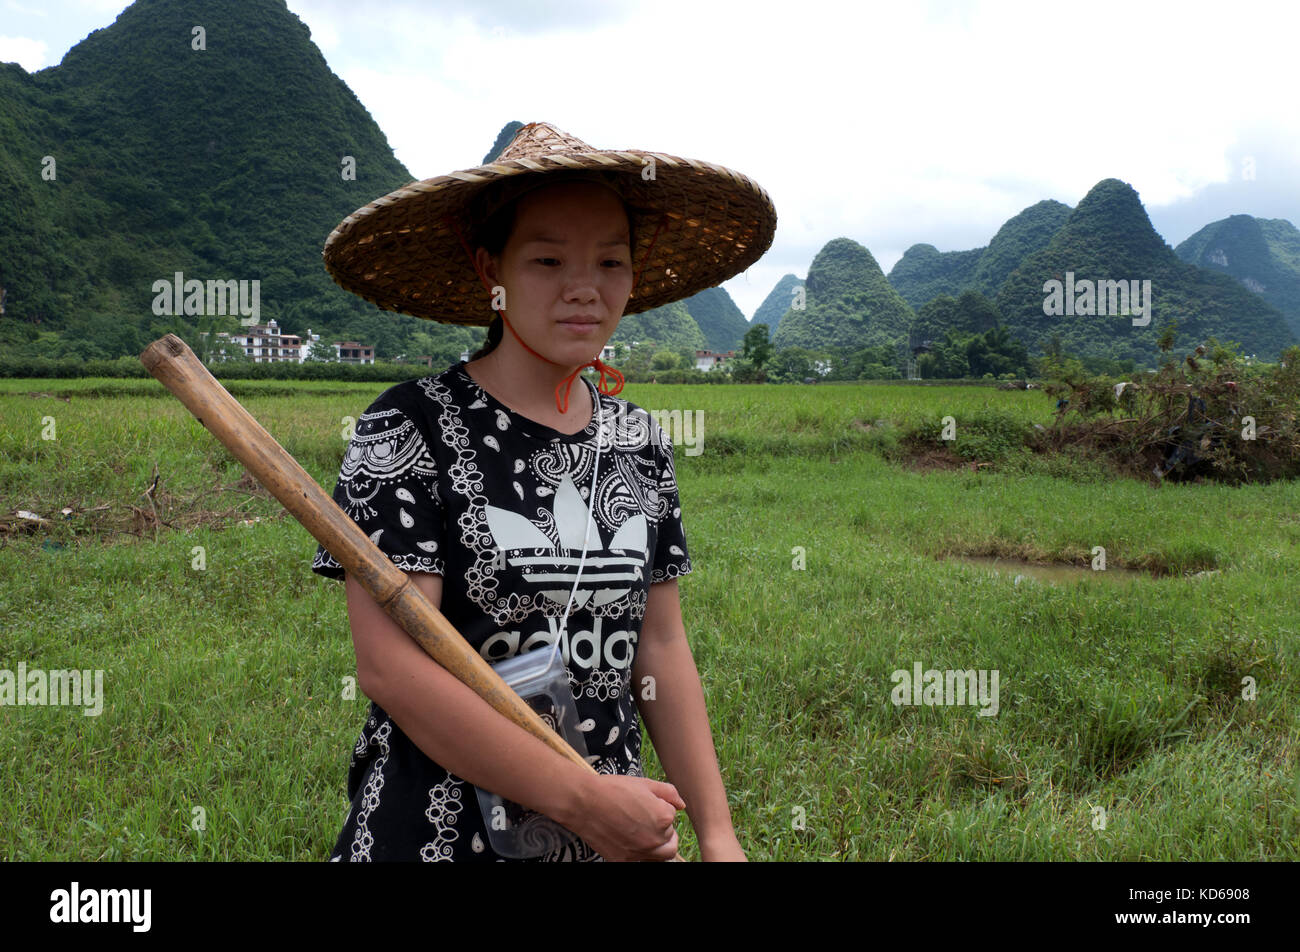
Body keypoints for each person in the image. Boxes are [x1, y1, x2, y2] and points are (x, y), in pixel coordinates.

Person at [310, 122, 776, 861]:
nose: (584, 288)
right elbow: (392, 669)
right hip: (438, 827)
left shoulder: (638, 439)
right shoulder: (408, 426)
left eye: (610, 261)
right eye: (547, 259)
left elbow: (659, 644)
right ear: (489, 265)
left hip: (612, 829)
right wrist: (582, 799)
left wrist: (719, 836)